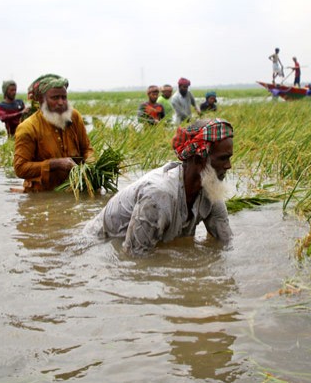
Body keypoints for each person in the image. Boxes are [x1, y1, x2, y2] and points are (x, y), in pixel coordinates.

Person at [83, 118, 234, 256]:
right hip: (97, 243)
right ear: (199, 158)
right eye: (222, 158)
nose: (228, 166)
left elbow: (225, 241)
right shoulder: (158, 197)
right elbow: (134, 257)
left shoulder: (210, 191)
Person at [13, 74, 93, 192]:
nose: (61, 102)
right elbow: (20, 168)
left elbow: (87, 149)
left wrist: (91, 166)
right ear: (41, 100)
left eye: (64, 97)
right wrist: (54, 164)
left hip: (73, 189)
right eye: (55, 98)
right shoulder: (28, 128)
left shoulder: (74, 117)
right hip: (41, 194)